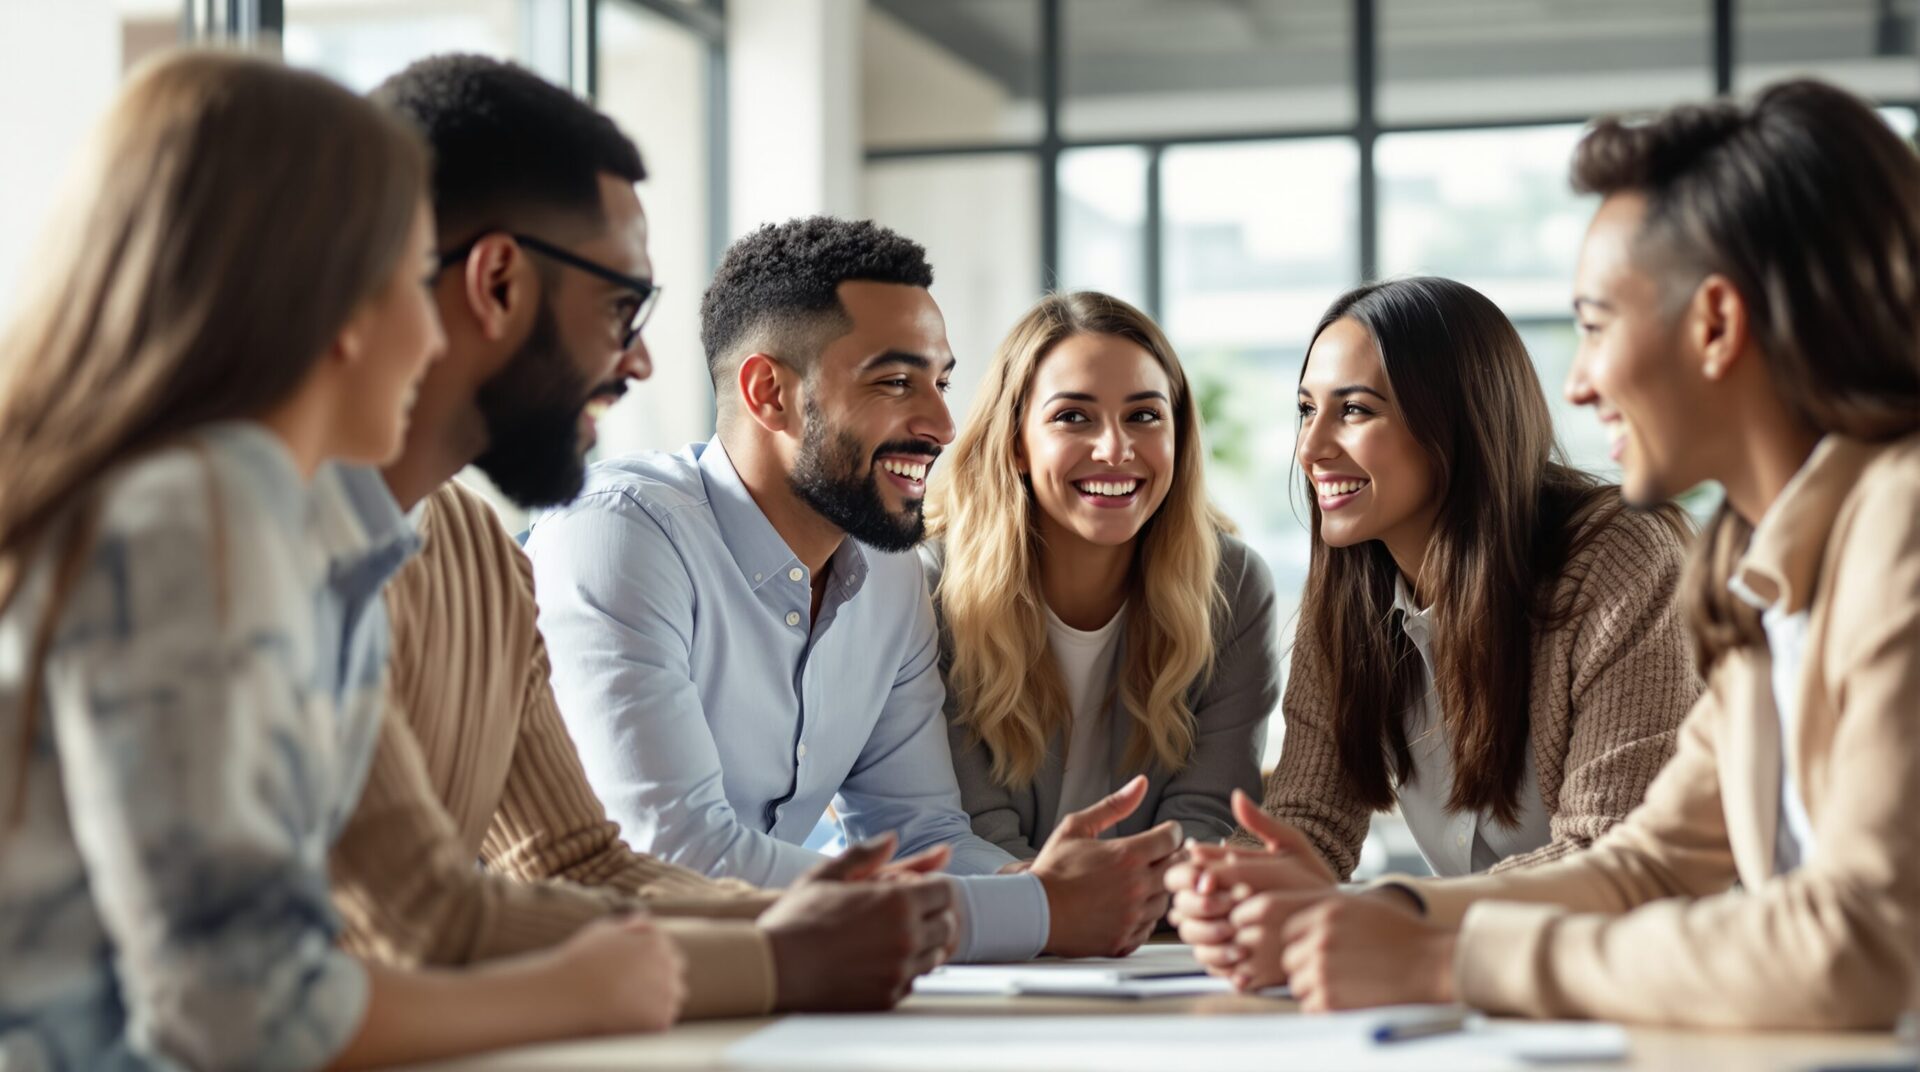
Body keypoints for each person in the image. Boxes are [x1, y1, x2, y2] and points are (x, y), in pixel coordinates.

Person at [1174, 79, 1920, 1030]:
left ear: (1718, 325)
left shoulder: (1898, 526)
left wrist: (1452, 959)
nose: (1577, 382)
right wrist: (1384, 915)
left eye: (1598, 325)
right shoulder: (1757, 562)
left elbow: (1855, 947)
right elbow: (1651, 860)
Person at [0, 52, 682, 1072]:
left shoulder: (252, 518)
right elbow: (247, 1013)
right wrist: (577, 990)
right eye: (413, 277)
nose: (430, 334)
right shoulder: (199, 519)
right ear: (323, 297)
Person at [328, 54, 954, 1018]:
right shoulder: (244, 539)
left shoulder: (479, 553)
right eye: (622, 306)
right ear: (496, 282)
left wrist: (828, 919)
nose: (641, 360)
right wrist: (777, 956)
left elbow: (576, 862)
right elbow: (406, 927)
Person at [528, 216, 1180, 962]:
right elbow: (676, 859)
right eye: (895, 382)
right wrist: (1033, 909)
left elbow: (918, 831)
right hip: (546, 987)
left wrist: (1038, 882)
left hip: (744, 981)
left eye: (941, 382)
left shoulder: (888, 571)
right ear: (769, 392)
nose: (942, 424)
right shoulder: (620, 537)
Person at [925, 291, 1275, 858]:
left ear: (1178, 435)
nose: (1115, 449)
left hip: (1152, 936)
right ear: (1015, 441)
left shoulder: (1232, 586)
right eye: (1072, 417)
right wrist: (1053, 909)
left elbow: (1207, 819)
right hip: (983, 936)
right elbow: (963, 833)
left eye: (1144, 416)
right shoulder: (927, 591)